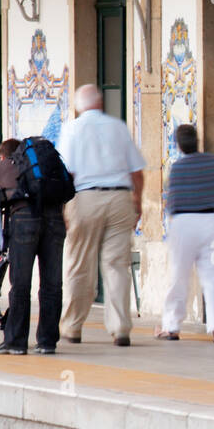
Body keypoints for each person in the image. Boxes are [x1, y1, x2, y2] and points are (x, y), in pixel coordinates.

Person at [57, 84, 145, 346]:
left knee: (79, 263)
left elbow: (67, 172)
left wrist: (64, 207)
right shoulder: (118, 127)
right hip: (120, 198)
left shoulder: (72, 128)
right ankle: (120, 329)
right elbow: (137, 171)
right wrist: (137, 202)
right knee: (117, 265)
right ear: (100, 103)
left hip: (85, 198)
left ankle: (72, 327)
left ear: (78, 106)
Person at [0, 138, 68, 357]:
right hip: (55, 218)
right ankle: (47, 342)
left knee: (21, 283)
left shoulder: (10, 164)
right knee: (52, 284)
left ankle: (16, 342)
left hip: (25, 220)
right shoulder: (46, 165)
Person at [161, 123, 214, 343]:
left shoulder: (177, 168)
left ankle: (172, 327)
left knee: (179, 275)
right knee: (213, 277)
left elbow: (171, 202)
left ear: (179, 145)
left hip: (184, 224)